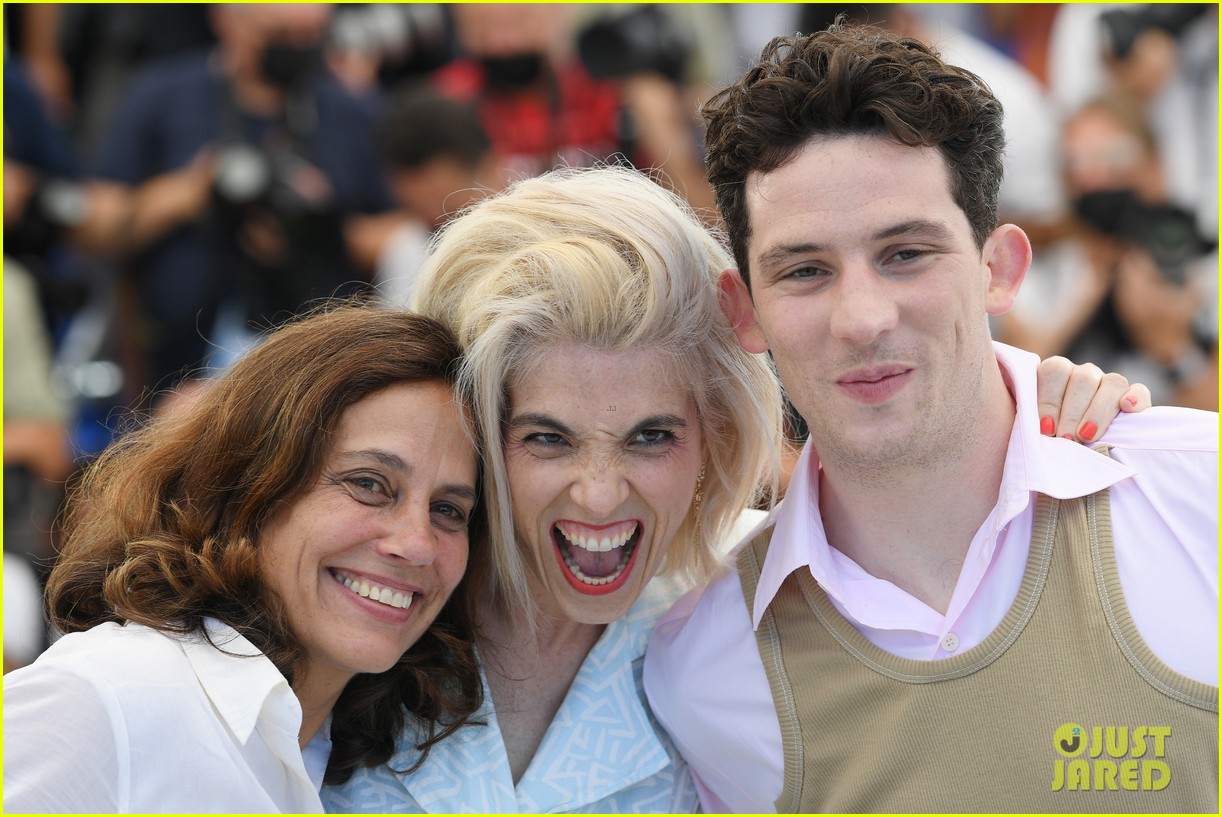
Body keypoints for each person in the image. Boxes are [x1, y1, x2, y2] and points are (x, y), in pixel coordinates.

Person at [322, 166, 1150, 813]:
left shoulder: (763, 604)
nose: (602, 495)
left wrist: (1040, 412)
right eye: (546, 437)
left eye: (652, 436)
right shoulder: (366, 593)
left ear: (715, 432)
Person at [643, 23, 1217, 813]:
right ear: (744, 312)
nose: (863, 317)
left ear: (999, 268)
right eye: (805, 270)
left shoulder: (1202, 496)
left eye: (906, 252)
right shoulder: (704, 670)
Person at [3, 305, 484, 812]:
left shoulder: (341, 765)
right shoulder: (106, 697)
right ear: (253, 483)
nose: (418, 543)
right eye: (368, 484)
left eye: (449, 510)